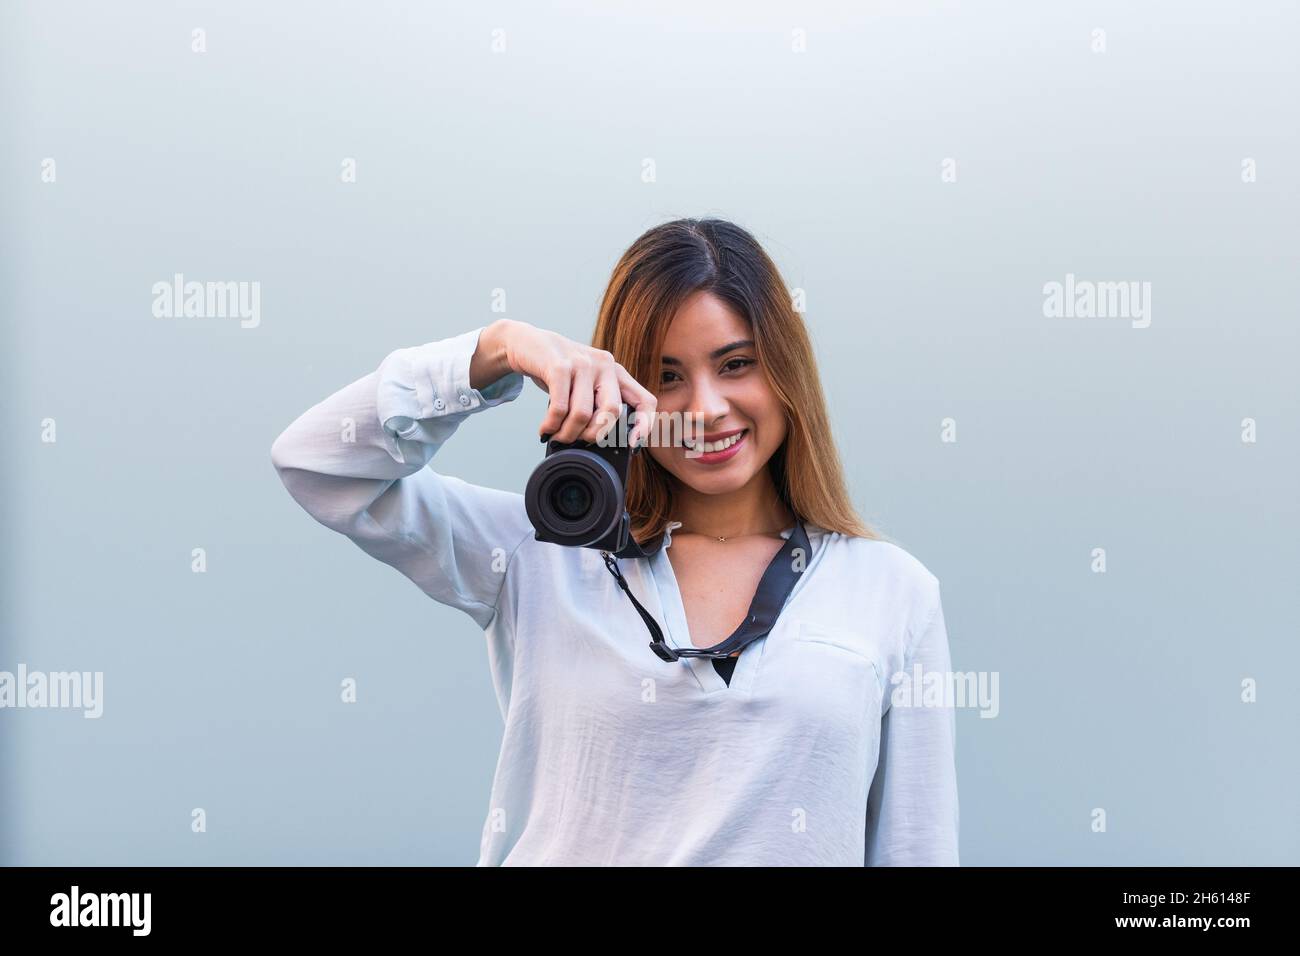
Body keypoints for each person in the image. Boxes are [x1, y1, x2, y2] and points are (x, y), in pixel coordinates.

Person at [270, 217, 958, 865]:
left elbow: (917, 849)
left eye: (736, 364)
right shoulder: (540, 555)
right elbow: (316, 464)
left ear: (786, 370)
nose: (705, 408)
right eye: (666, 376)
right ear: (625, 392)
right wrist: (504, 349)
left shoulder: (895, 593)